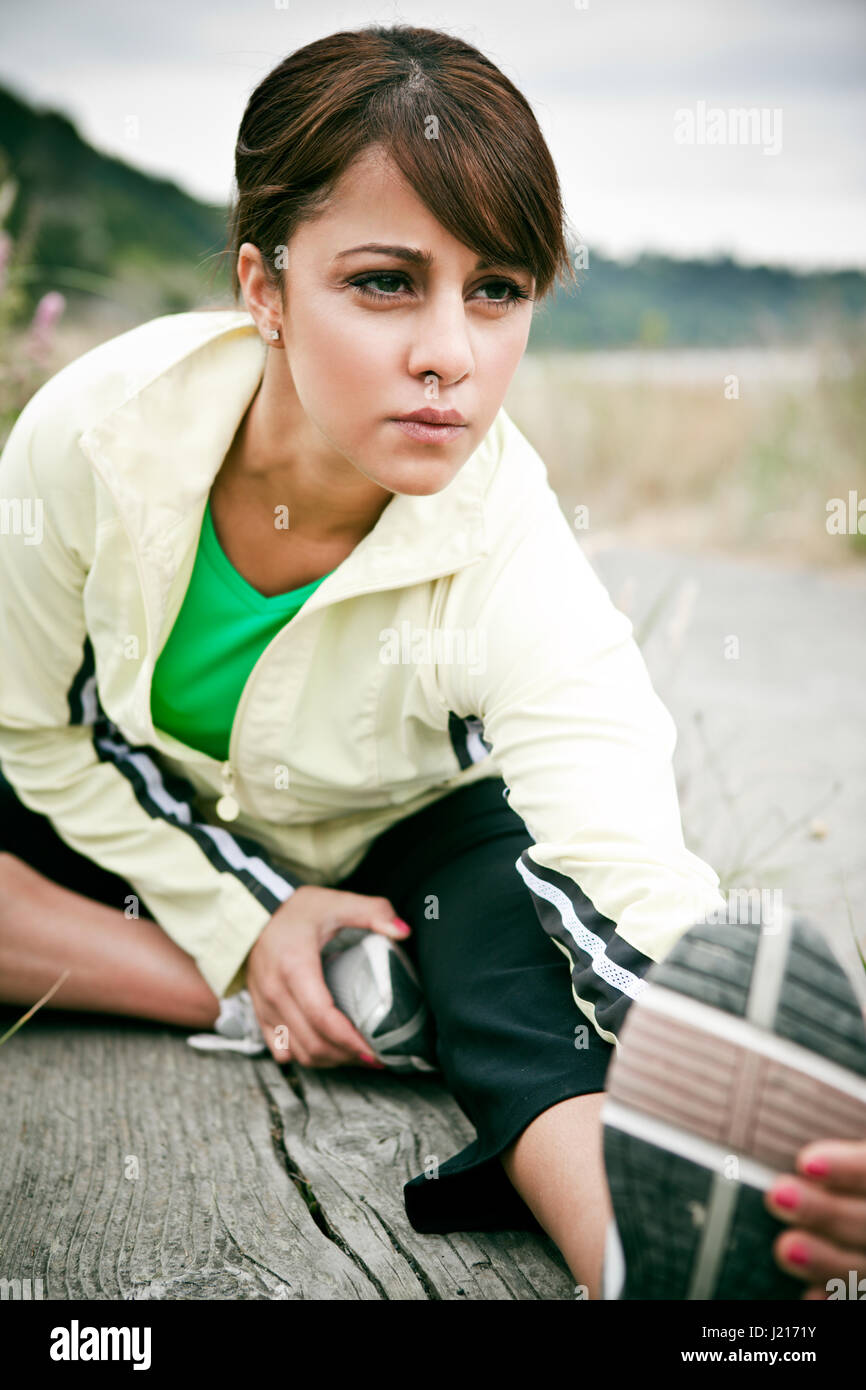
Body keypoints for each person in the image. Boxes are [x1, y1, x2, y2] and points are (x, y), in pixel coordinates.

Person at [0, 24, 863, 1302]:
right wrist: (250, 926)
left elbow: (622, 871)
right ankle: (302, 995)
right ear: (264, 286)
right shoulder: (97, 431)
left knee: (515, 985)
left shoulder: (514, 551)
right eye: (386, 282)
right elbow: (36, 732)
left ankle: (641, 1259)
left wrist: (764, 1088)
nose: (450, 355)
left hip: (415, 841)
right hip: (149, 804)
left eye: (497, 289)